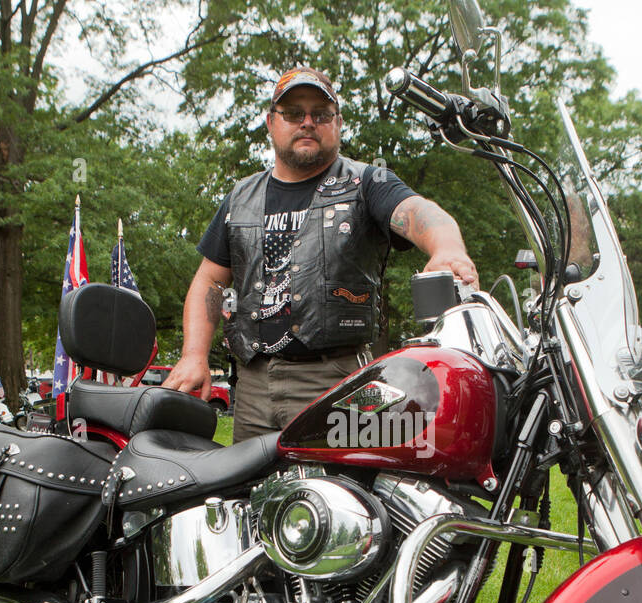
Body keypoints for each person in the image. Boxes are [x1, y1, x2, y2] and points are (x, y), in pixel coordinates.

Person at [163, 66, 478, 441]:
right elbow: (210, 281)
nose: (308, 122)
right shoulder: (240, 197)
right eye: (294, 113)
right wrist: (193, 354)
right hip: (252, 386)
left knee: (341, 480)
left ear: (338, 123)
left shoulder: (367, 181)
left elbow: (418, 211)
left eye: (321, 114)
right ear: (271, 122)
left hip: (335, 380)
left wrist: (447, 249)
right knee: (250, 481)